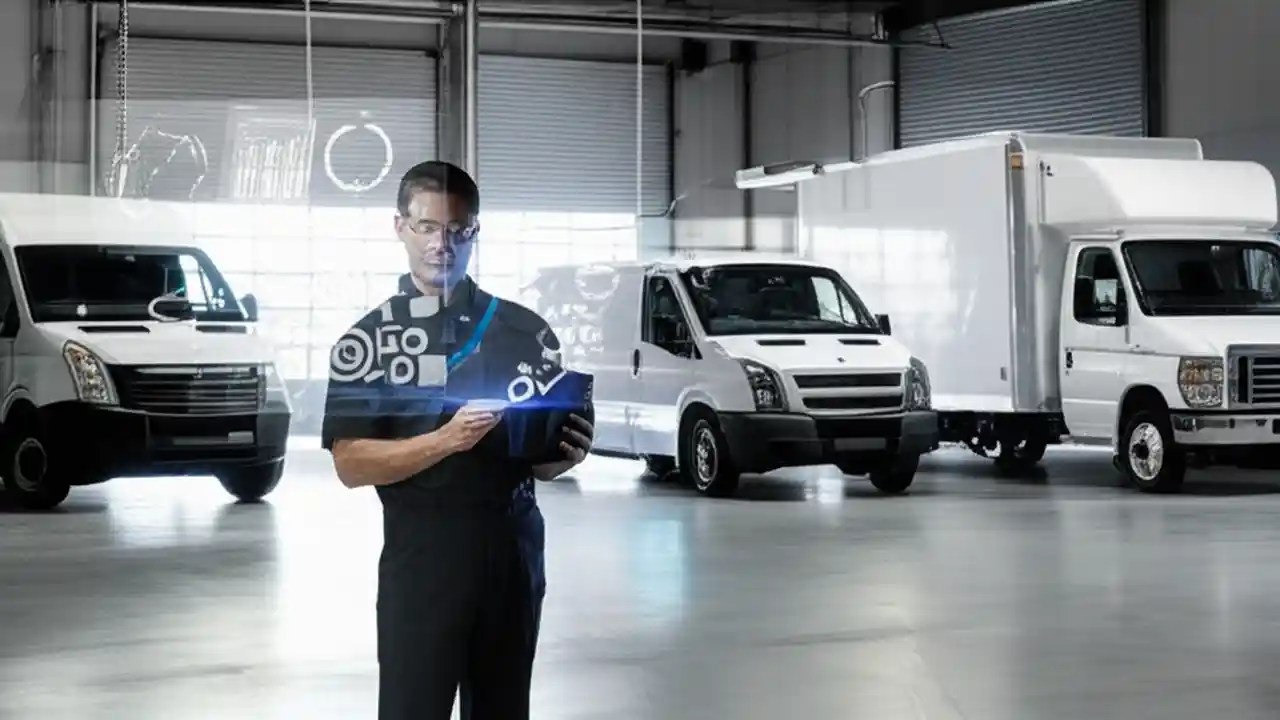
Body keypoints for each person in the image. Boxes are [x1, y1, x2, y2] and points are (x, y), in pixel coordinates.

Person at [321, 160, 594, 720]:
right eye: (426, 227)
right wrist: (446, 441)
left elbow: (538, 465)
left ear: (474, 230)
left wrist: (565, 455)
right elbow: (350, 463)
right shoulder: (368, 342)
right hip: (424, 557)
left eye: (457, 229)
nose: (441, 244)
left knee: (502, 708)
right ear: (400, 227)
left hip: (512, 551)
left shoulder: (525, 331)